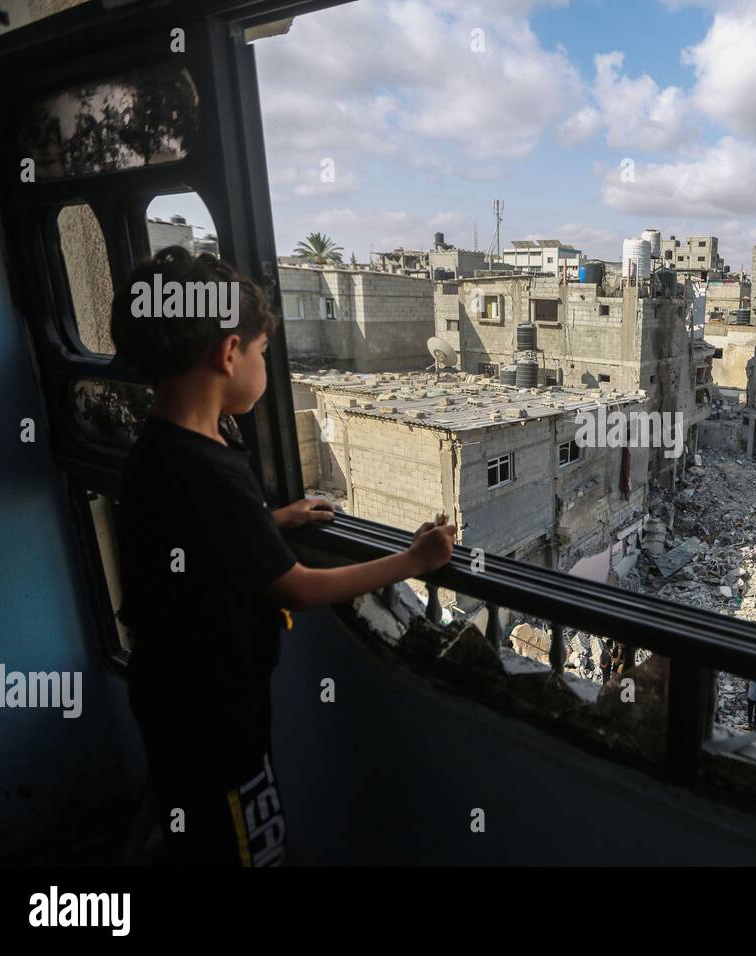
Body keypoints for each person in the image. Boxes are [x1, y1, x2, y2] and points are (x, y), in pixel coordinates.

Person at [112, 247, 456, 867]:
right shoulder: (210, 468)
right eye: (263, 352)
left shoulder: (160, 451)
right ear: (227, 355)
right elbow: (296, 588)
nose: (265, 365)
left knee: (192, 830)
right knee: (249, 843)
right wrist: (414, 560)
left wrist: (273, 521)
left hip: (169, 692)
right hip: (218, 714)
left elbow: (205, 543)